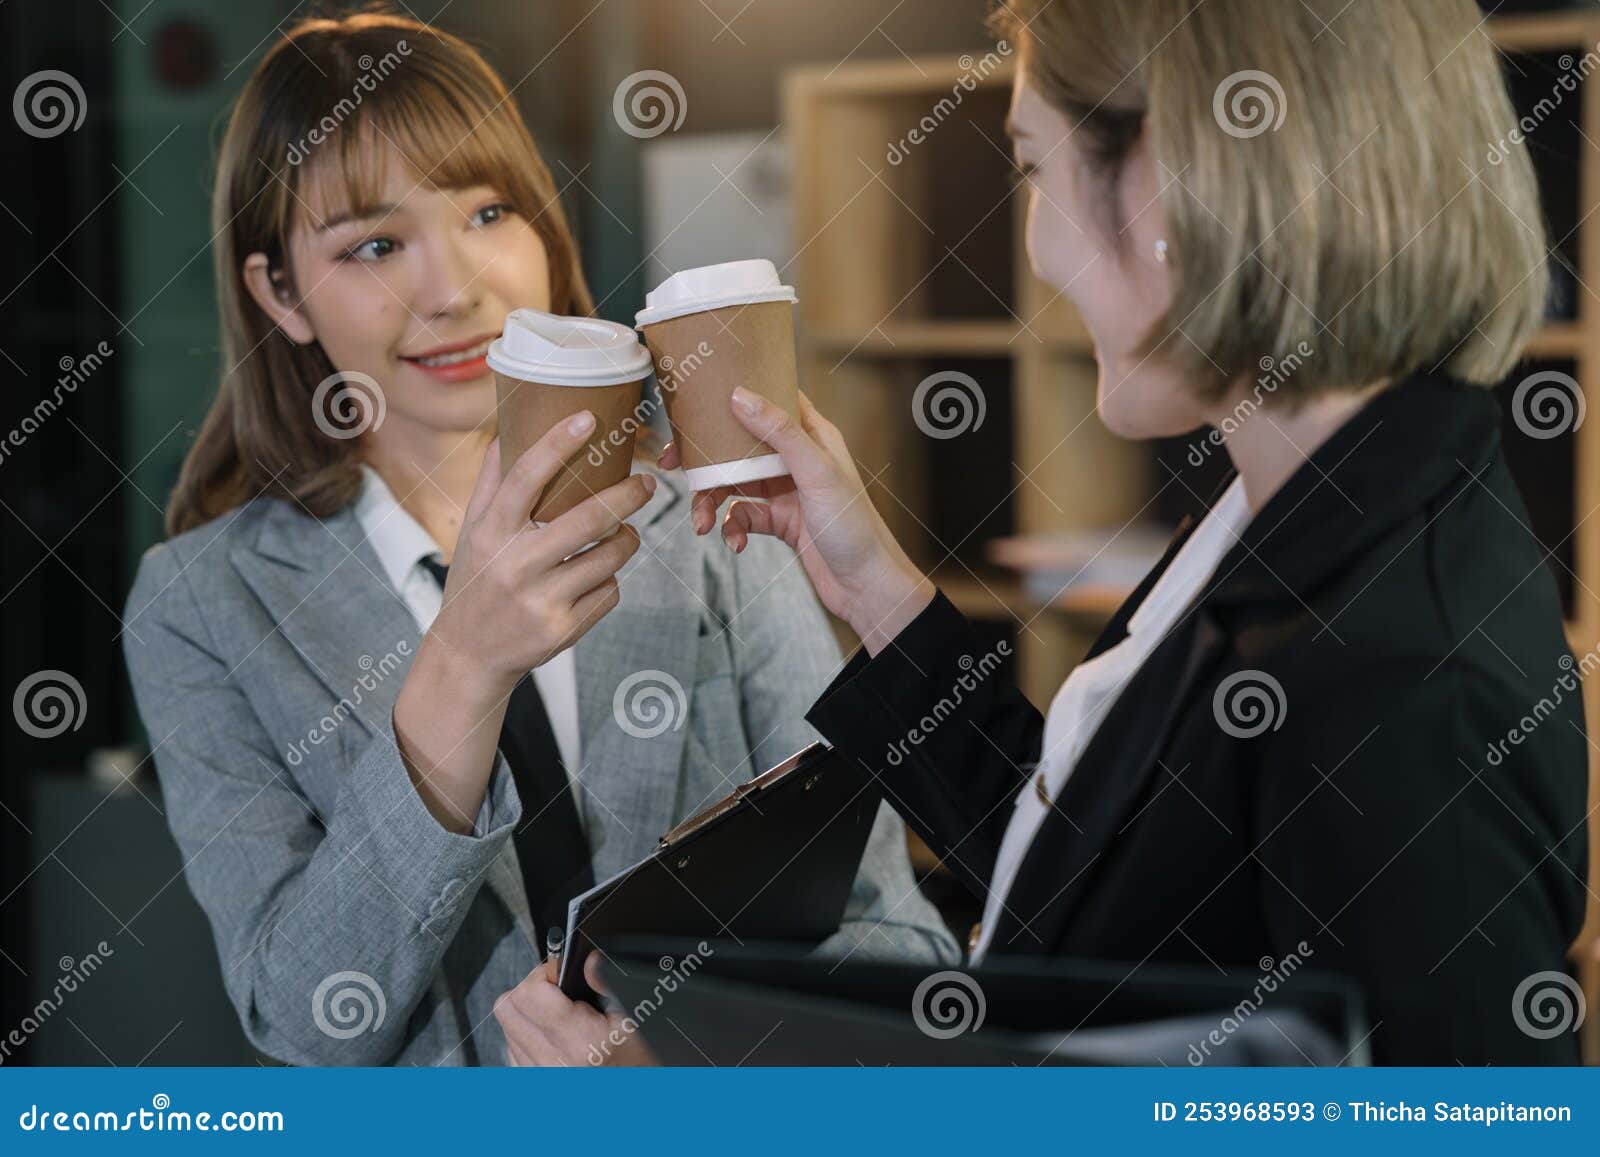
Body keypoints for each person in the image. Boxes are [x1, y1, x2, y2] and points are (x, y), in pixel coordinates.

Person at [508, 0, 1589, 1065]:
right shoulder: (1305, 503)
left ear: (1185, 171)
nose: (1039, 251)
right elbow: (1097, 872)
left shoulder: (1399, 675)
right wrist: (878, 591)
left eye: (1031, 168)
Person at [120, 10, 955, 1069]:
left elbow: (896, 937)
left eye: (489, 211)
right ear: (278, 292)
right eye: (375, 244)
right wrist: (462, 665)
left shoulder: (711, 523)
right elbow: (303, 1017)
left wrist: (685, 1078)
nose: (454, 289)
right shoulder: (203, 600)